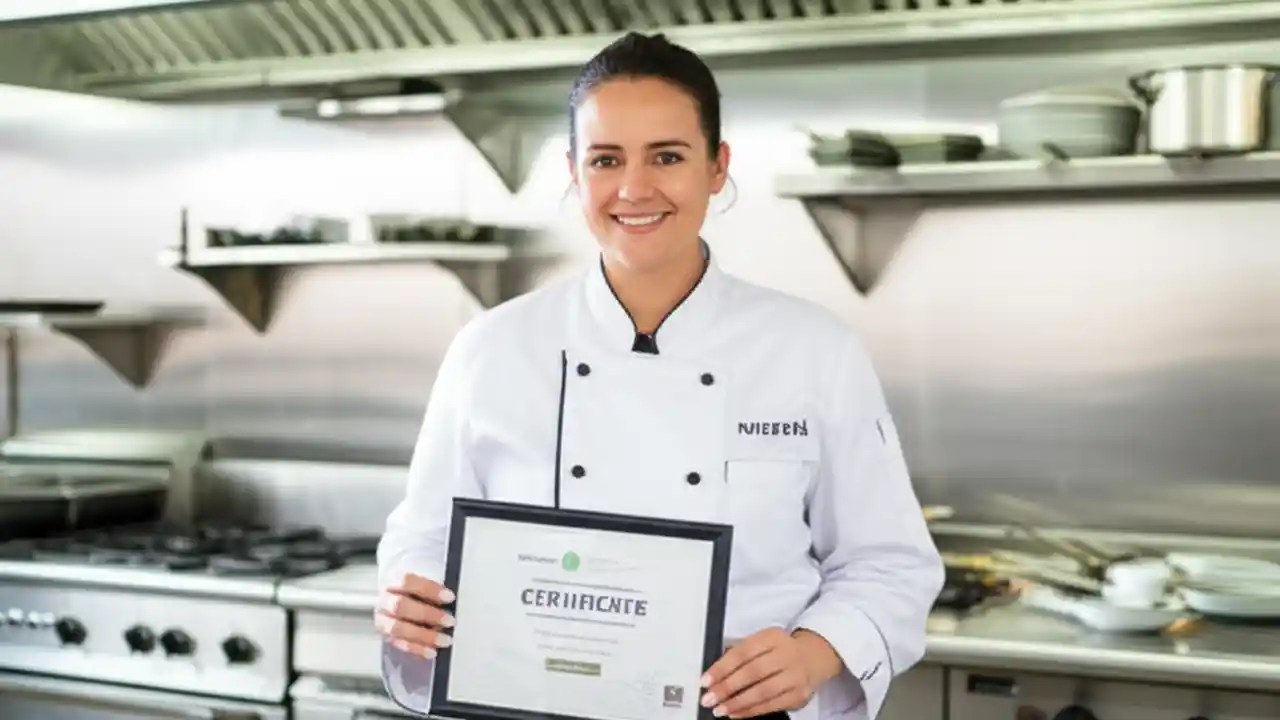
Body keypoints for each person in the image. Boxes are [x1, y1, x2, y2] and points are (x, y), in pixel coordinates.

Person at [375, 31, 944, 720]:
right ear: (574, 171)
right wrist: (415, 594)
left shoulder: (813, 350)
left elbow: (890, 565)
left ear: (716, 166)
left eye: (667, 156)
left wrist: (813, 652)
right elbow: (423, 537)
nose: (634, 189)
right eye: (606, 159)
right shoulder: (491, 348)